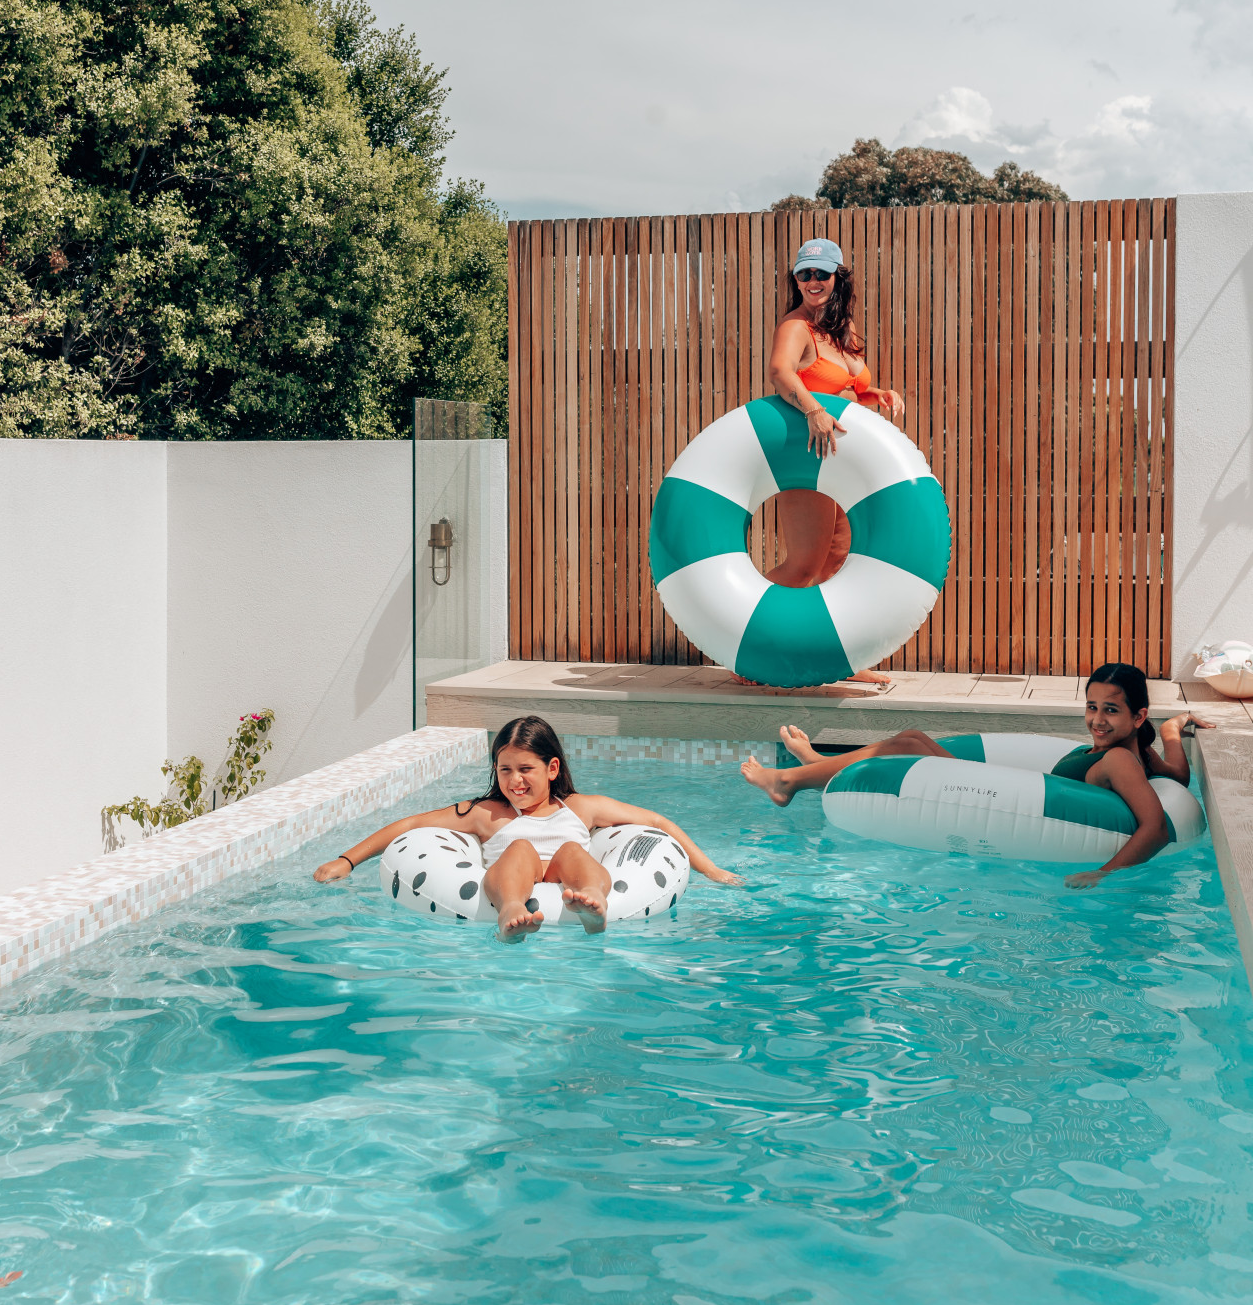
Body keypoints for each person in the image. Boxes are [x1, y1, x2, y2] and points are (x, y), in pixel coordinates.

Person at [740, 661, 1210, 889]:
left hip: (1013, 798)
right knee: (912, 736)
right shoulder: (1136, 748)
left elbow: (1155, 826)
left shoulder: (1122, 760)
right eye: (1092, 707)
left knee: (907, 742)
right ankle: (814, 766)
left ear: (1135, 714)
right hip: (1017, 784)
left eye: (1111, 710)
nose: (1098, 720)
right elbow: (1178, 776)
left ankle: (793, 780)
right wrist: (1174, 727)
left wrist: (1104, 874)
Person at [314, 714, 741, 940]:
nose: (514, 780)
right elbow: (410, 824)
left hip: (564, 876)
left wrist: (711, 869)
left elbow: (656, 823)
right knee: (518, 849)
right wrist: (347, 860)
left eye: (526, 769)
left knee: (573, 853)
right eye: (504, 770)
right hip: (512, 879)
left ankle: (592, 900)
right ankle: (511, 911)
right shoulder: (486, 813)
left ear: (552, 768)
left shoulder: (580, 808)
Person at [762, 235, 904, 689]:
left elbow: (853, 386)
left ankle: (829, 658)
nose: (812, 281)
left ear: (838, 277)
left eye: (821, 273)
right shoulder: (796, 327)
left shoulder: (846, 332)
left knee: (836, 561)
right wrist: (814, 410)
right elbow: (781, 372)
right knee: (805, 563)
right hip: (808, 456)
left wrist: (875, 393)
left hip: (842, 460)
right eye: (804, 273)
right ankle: (746, 647)